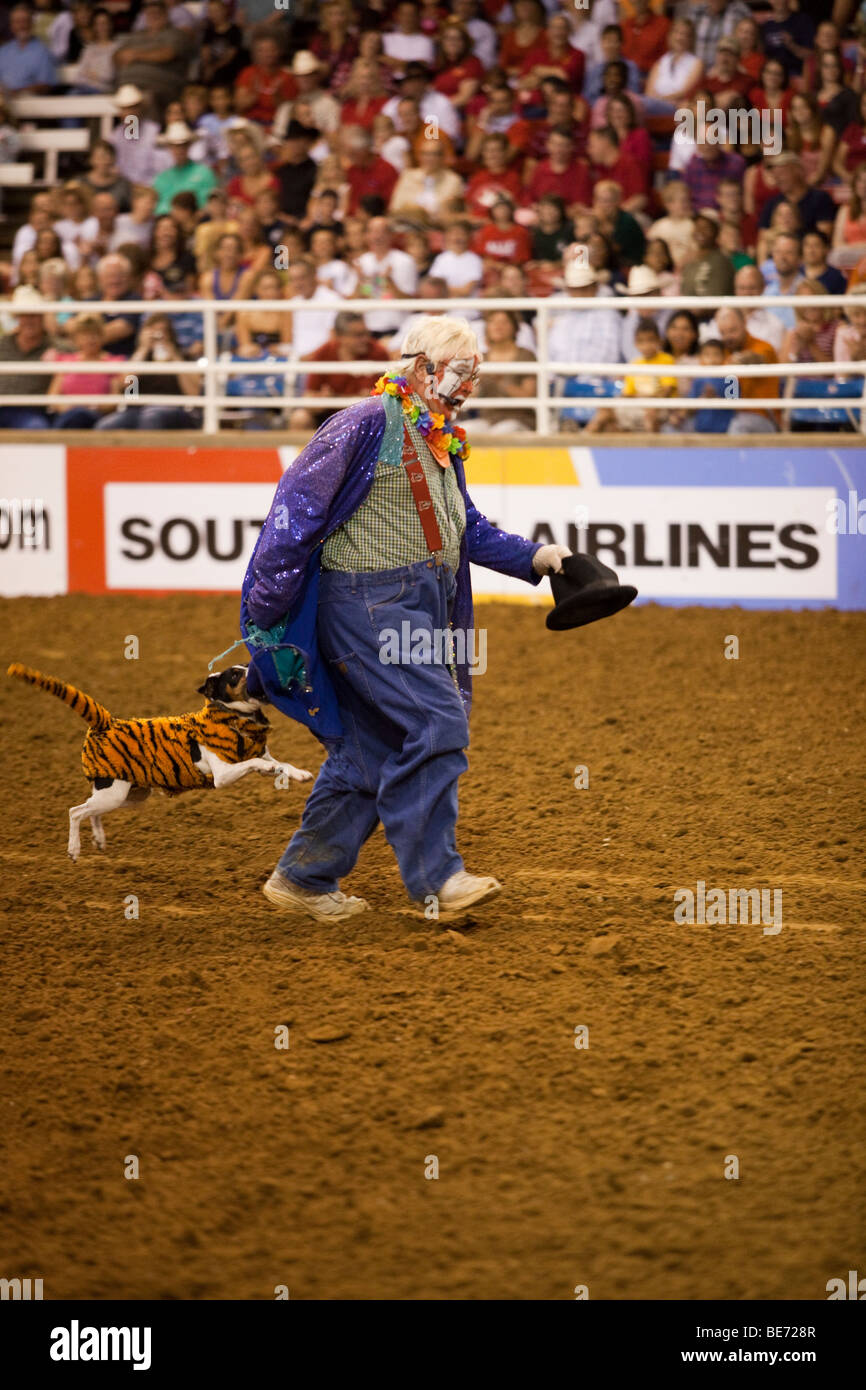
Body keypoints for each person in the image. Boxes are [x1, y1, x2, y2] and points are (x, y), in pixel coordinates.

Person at [242, 313, 570, 921]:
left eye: (477, 373)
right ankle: (440, 878)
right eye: (462, 371)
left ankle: (303, 879)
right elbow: (293, 515)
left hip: (418, 602)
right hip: (370, 601)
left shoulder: (440, 435)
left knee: (372, 748)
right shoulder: (364, 425)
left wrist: (538, 557)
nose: (470, 384)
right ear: (422, 367)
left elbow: (464, 527)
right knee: (435, 717)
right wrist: (266, 613)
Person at [95, 312, 200, 429]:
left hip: (173, 409)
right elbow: (128, 388)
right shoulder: (137, 357)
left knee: (151, 416)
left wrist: (173, 355)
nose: (157, 336)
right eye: (152, 332)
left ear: (171, 335)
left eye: (162, 332)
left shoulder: (182, 356)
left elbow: (193, 392)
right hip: (136, 409)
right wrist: (143, 349)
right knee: (105, 426)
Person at [291, 311, 391, 429]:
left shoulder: (379, 353)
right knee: (300, 418)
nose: (365, 339)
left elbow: (390, 398)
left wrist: (372, 399)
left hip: (366, 420)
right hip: (329, 418)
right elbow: (308, 398)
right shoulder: (323, 353)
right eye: (358, 335)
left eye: (366, 333)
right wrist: (322, 400)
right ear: (339, 336)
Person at [112, 0, 192, 117]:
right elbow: (117, 56)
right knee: (116, 100)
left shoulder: (175, 34)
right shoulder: (136, 35)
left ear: (166, 14)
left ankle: (145, 134)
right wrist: (147, 55)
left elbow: (167, 54)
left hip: (159, 86)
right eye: (149, 13)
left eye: (157, 13)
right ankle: (125, 134)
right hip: (128, 86)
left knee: (138, 101)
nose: (153, 16)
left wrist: (135, 55)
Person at [44, 312, 122, 429]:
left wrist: (93, 406)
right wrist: (65, 407)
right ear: (77, 339)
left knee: (79, 414)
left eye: (95, 334)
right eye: (85, 335)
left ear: (102, 336)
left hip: (97, 416)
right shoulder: (66, 361)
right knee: (74, 415)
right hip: (68, 414)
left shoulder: (113, 362)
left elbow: (115, 402)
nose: (90, 339)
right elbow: (52, 396)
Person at [716, 305, 780, 434]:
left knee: (739, 425)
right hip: (729, 416)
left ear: (744, 323)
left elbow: (758, 358)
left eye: (733, 330)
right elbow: (731, 396)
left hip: (763, 417)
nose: (728, 337)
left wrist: (739, 360)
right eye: (723, 333)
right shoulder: (722, 354)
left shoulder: (763, 347)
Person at [0, 294, 52, 428]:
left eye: (33, 315)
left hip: (31, 411)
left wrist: (61, 359)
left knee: (36, 427)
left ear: (41, 318)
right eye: (24, 315)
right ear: (18, 318)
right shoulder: (3, 343)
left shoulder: (55, 347)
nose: (29, 321)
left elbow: (83, 352)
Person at [153, 121, 217, 215]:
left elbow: (209, 204)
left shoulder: (205, 173)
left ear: (189, 146)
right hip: (169, 224)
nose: (179, 150)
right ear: (169, 148)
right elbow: (158, 208)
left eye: (183, 145)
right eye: (175, 146)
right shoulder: (161, 178)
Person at [0, 3, 57, 92]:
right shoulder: (3, 51)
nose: (22, 26)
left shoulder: (43, 52)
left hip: (28, 101)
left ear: (32, 24)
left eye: (25, 21)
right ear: (11, 26)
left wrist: (16, 93)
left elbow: (46, 85)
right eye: (17, 22)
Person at [680, 210, 735, 299]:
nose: (700, 231)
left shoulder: (720, 262)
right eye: (697, 227)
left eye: (706, 228)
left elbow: (715, 301)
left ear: (716, 232)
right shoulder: (690, 260)